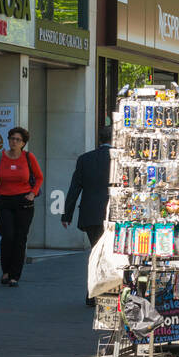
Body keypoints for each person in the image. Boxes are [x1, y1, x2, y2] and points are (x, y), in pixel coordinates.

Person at [62, 127, 113, 306]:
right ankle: (104, 290)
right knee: (109, 254)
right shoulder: (118, 158)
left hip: (90, 214)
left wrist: (66, 214)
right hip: (113, 213)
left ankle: (93, 292)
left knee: (96, 252)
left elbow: (75, 187)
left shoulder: (85, 159)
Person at [0, 127, 43, 288]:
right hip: (3, 200)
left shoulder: (28, 157)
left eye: (18, 139)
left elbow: (39, 177)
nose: (14, 142)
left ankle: (14, 275)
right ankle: (5, 271)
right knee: (7, 236)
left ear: (23, 143)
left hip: (24, 200)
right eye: (12, 138)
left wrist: (32, 193)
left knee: (20, 238)